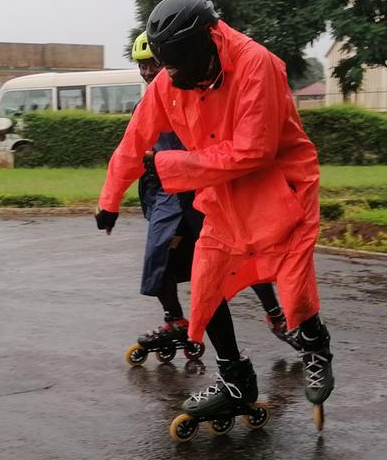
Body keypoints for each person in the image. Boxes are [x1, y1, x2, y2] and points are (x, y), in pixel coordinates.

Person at [96, 0, 334, 426]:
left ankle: (315, 345)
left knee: (295, 289)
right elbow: (135, 140)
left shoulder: (256, 63)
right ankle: (236, 382)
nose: (170, 76)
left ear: (207, 42)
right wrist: (109, 200)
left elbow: (254, 152)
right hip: (223, 195)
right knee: (207, 286)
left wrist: (168, 164)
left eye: (178, 64)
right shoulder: (173, 80)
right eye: (165, 65)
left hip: (281, 189)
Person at [127, 31, 299, 362]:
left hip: (207, 194)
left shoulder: (197, 95)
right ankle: (175, 320)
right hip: (167, 199)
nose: (148, 72)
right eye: (142, 66)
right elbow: (137, 151)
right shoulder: (145, 105)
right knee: (158, 260)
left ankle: (275, 315)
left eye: (154, 65)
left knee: (239, 258)